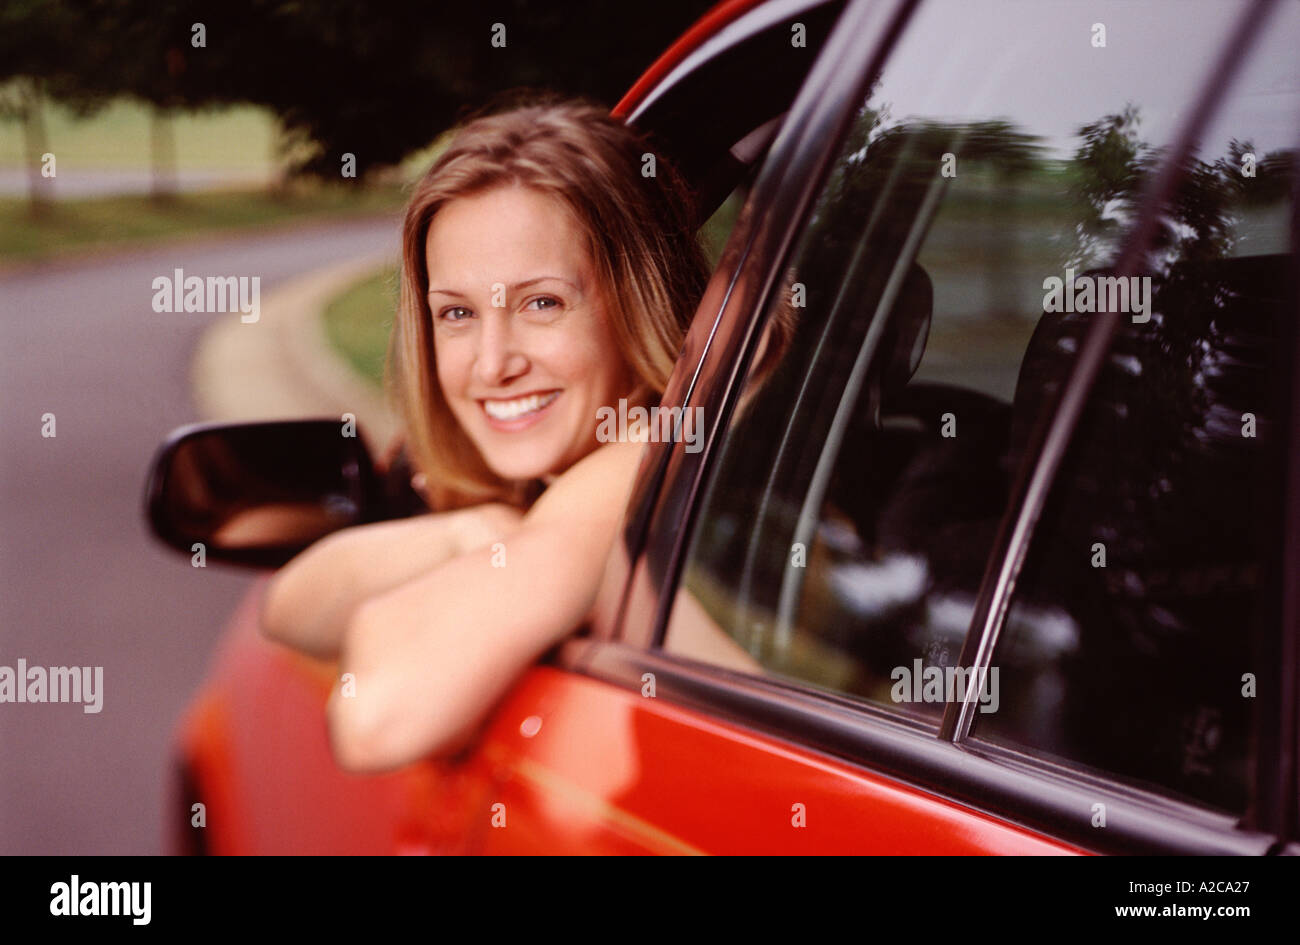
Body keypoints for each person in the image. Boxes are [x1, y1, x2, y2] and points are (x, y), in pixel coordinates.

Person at [260, 94, 729, 772]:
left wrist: (526, 546)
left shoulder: (639, 457)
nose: (492, 363)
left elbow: (377, 716)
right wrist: (472, 531)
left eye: (542, 303)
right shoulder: (591, 474)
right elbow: (288, 606)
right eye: (456, 313)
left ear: (641, 302)